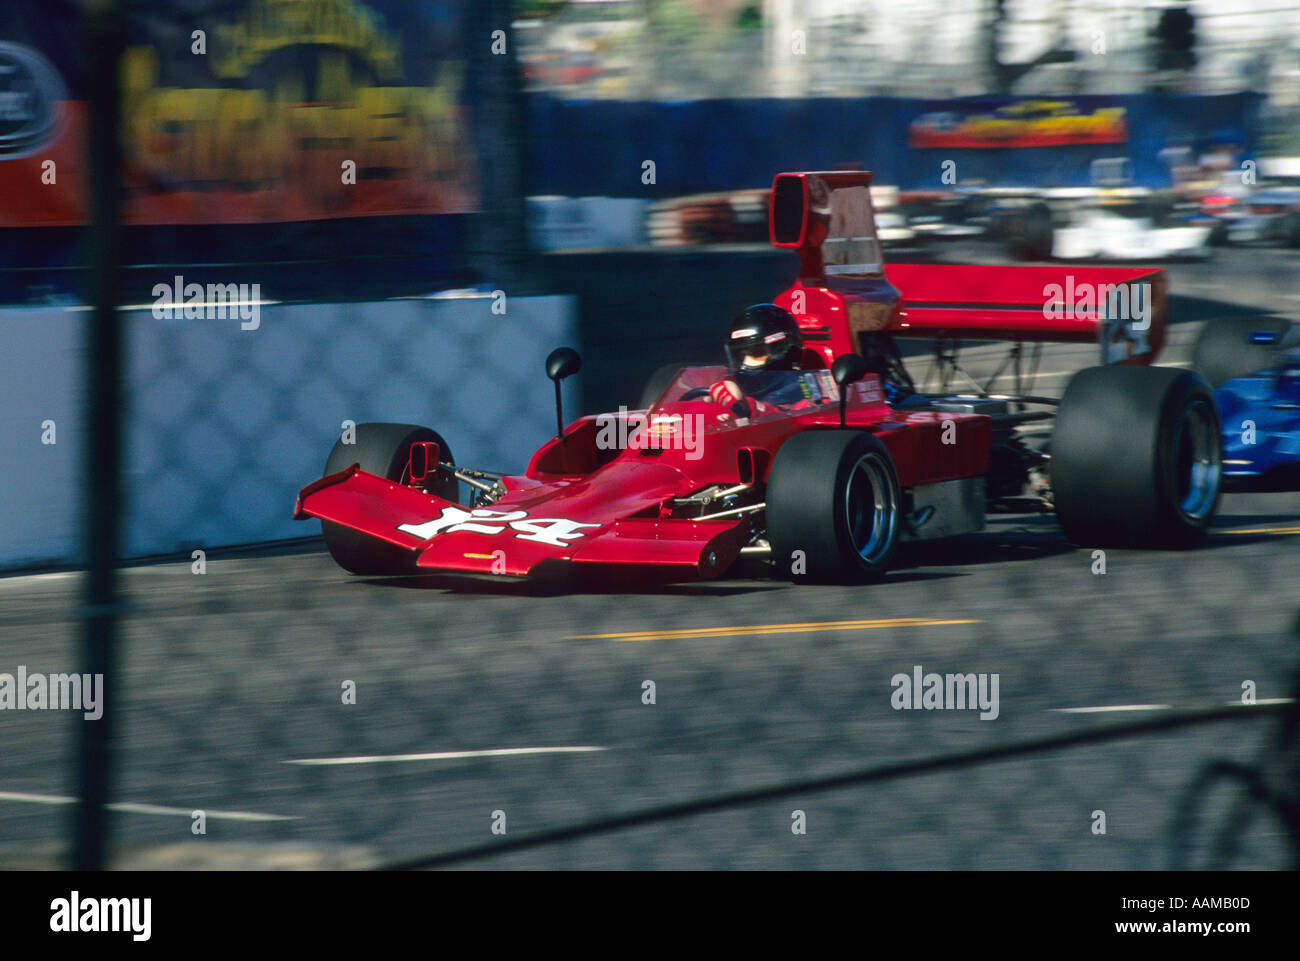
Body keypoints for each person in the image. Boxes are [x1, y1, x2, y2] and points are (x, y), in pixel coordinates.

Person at [708, 303, 813, 413]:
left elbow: (790, 417)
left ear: (787, 351)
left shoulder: (808, 391)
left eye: (757, 353)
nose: (745, 364)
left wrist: (745, 407)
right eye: (740, 356)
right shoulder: (730, 385)